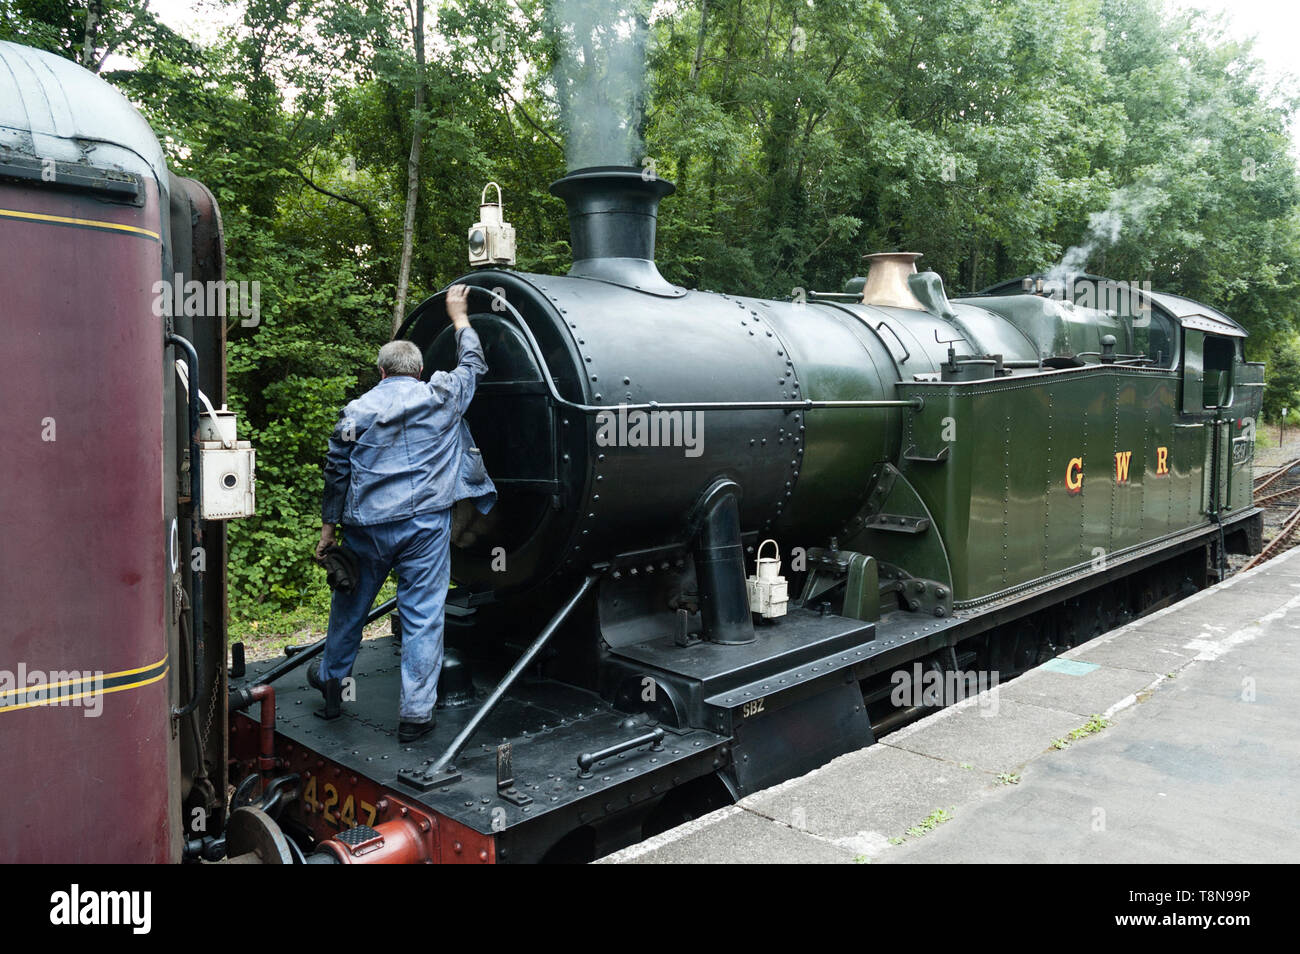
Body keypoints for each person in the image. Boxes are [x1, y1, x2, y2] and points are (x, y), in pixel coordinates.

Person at [310, 284, 495, 743]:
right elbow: (474, 363)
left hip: (366, 529)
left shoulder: (357, 410)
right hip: (425, 527)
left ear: (380, 372)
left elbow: (337, 475)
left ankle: (333, 688)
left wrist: (327, 532)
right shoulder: (441, 394)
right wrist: (459, 318)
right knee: (423, 616)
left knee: (349, 607)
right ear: (419, 370)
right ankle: (415, 716)